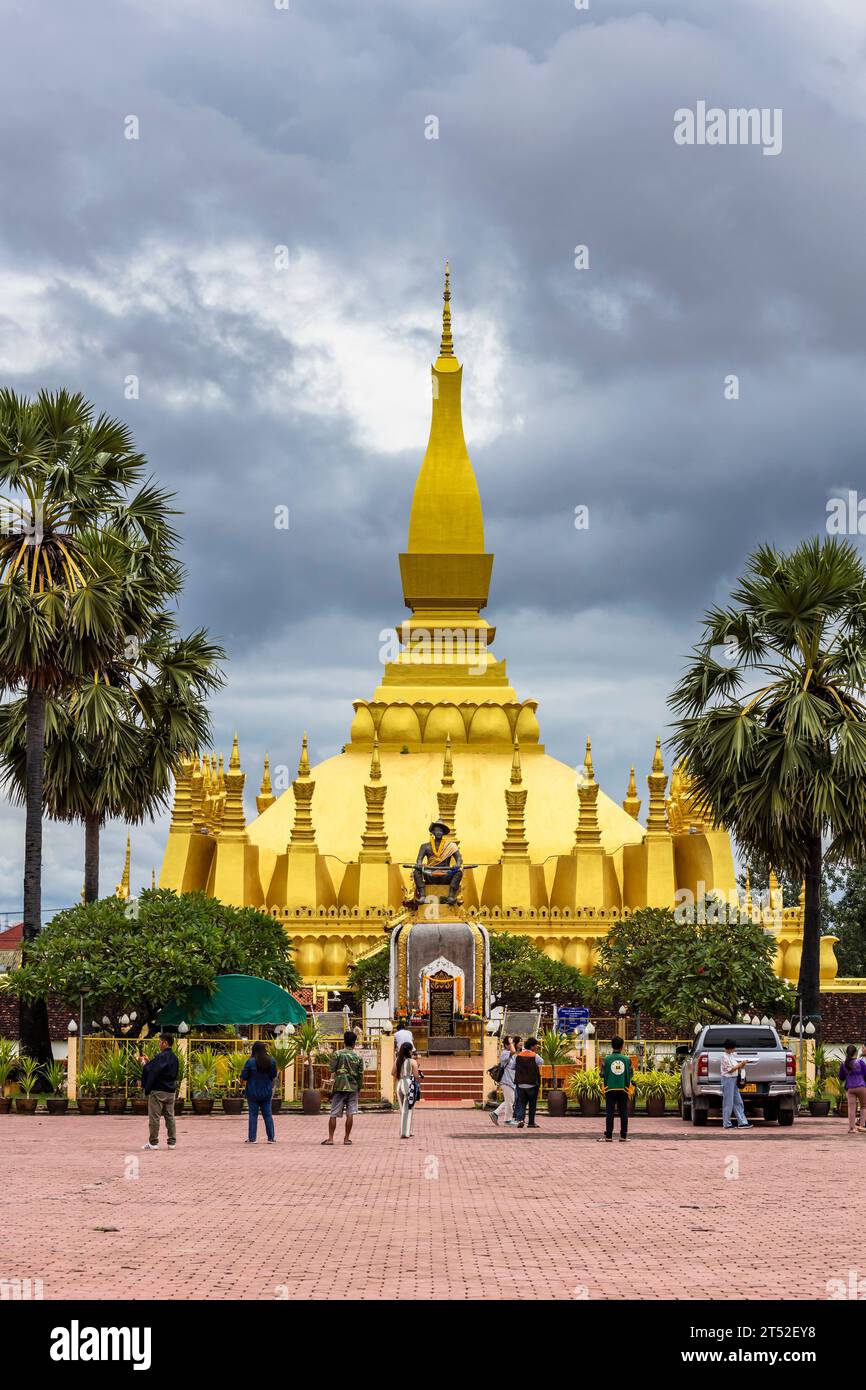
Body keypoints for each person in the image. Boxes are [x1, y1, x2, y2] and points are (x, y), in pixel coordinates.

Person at [323, 1030, 364, 1146]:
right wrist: (359, 1087)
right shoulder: (358, 1057)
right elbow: (360, 1074)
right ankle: (346, 1138)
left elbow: (331, 1069)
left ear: (344, 1041)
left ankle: (330, 1138)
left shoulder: (337, 1054)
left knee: (334, 1113)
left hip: (339, 1086)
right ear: (354, 1043)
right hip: (353, 1087)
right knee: (350, 1113)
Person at [140, 1033, 179, 1151]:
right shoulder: (174, 1058)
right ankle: (172, 1142)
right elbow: (161, 1069)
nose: (159, 1044)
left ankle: (153, 1143)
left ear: (165, 1043)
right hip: (170, 1091)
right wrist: (149, 1062)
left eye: (160, 1042)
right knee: (170, 1117)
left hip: (158, 1091)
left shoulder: (161, 1056)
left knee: (154, 1118)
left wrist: (144, 1064)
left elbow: (152, 1071)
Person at [413, 820, 463, 906]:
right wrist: (419, 864)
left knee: (459, 872)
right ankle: (422, 896)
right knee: (416, 871)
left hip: (446, 874)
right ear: (433, 832)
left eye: (441, 831)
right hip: (430, 874)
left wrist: (458, 864)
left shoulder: (451, 846)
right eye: (437, 830)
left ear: (443, 833)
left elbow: (458, 858)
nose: (439, 832)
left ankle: (451, 896)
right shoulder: (425, 846)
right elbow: (419, 859)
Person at [598, 1035, 634, 1143]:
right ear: (622, 1046)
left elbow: (602, 1074)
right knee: (623, 1112)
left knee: (610, 1112)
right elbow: (631, 1073)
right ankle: (623, 1136)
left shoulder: (606, 1059)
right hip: (623, 1089)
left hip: (610, 1089)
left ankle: (608, 1136)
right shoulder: (627, 1060)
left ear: (611, 1046)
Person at [241, 1041, 277, 1144]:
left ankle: (252, 1138)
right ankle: (271, 1138)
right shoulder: (272, 1061)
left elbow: (244, 1076)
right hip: (266, 1091)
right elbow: (273, 1075)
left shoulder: (250, 1062)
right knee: (268, 1115)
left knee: (253, 1115)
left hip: (252, 1092)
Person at [720, 1037, 758, 1129]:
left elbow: (735, 1067)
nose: (734, 1049)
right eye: (733, 1047)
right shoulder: (724, 1057)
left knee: (738, 1101)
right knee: (728, 1102)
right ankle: (726, 1124)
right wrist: (740, 1065)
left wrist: (741, 1065)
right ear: (729, 1047)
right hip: (727, 1080)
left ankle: (742, 1122)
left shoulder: (731, 1056)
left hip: (734, 1079)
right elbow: (729, 1070)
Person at [506, 1037, 543, 1128]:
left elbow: (512, 1067)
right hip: (532, 1084)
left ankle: (520, 1120)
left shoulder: (519, 1055)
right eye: (536, 1046)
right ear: (532, 1046)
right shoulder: (535, 1056)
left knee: (521, 1103)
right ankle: (531, 1123)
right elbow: (541, 1062)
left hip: (521, 1084)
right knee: (532, 1104)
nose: (536, 1047)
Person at [393, 1040, 421, 1139]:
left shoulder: (398, 1060)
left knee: (403, 1109)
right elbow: (417, 1076)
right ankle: (405, 1132)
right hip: (408, 1084)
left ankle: (405, 1130)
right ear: (409, 1051)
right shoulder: (412, 1061)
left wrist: (400, 1078)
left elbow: (393, 1072)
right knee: (408, 1109)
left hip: (399, 1084)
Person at [491, 1036, 518, 1126]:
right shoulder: (505, 1053)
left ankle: (495, 1113)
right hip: (506, 1081)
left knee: (509, 1101)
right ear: (507, 1045)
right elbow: (513, 1051)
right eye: (510, 1043)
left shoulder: (512, 1055)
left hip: (511, 1081)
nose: (512, 1045)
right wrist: (510, 1043)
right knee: (510, 1101)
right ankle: (507, 1120)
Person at [838, 1044, 866, 1133]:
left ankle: (852, 1128)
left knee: (851, 1108)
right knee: (864, 1106)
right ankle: (861, 1126)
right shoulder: (860, 1062)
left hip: (850, 1088)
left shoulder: (843, 1064)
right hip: (861, 1086)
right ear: (856, 1053)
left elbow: (841, 1077)